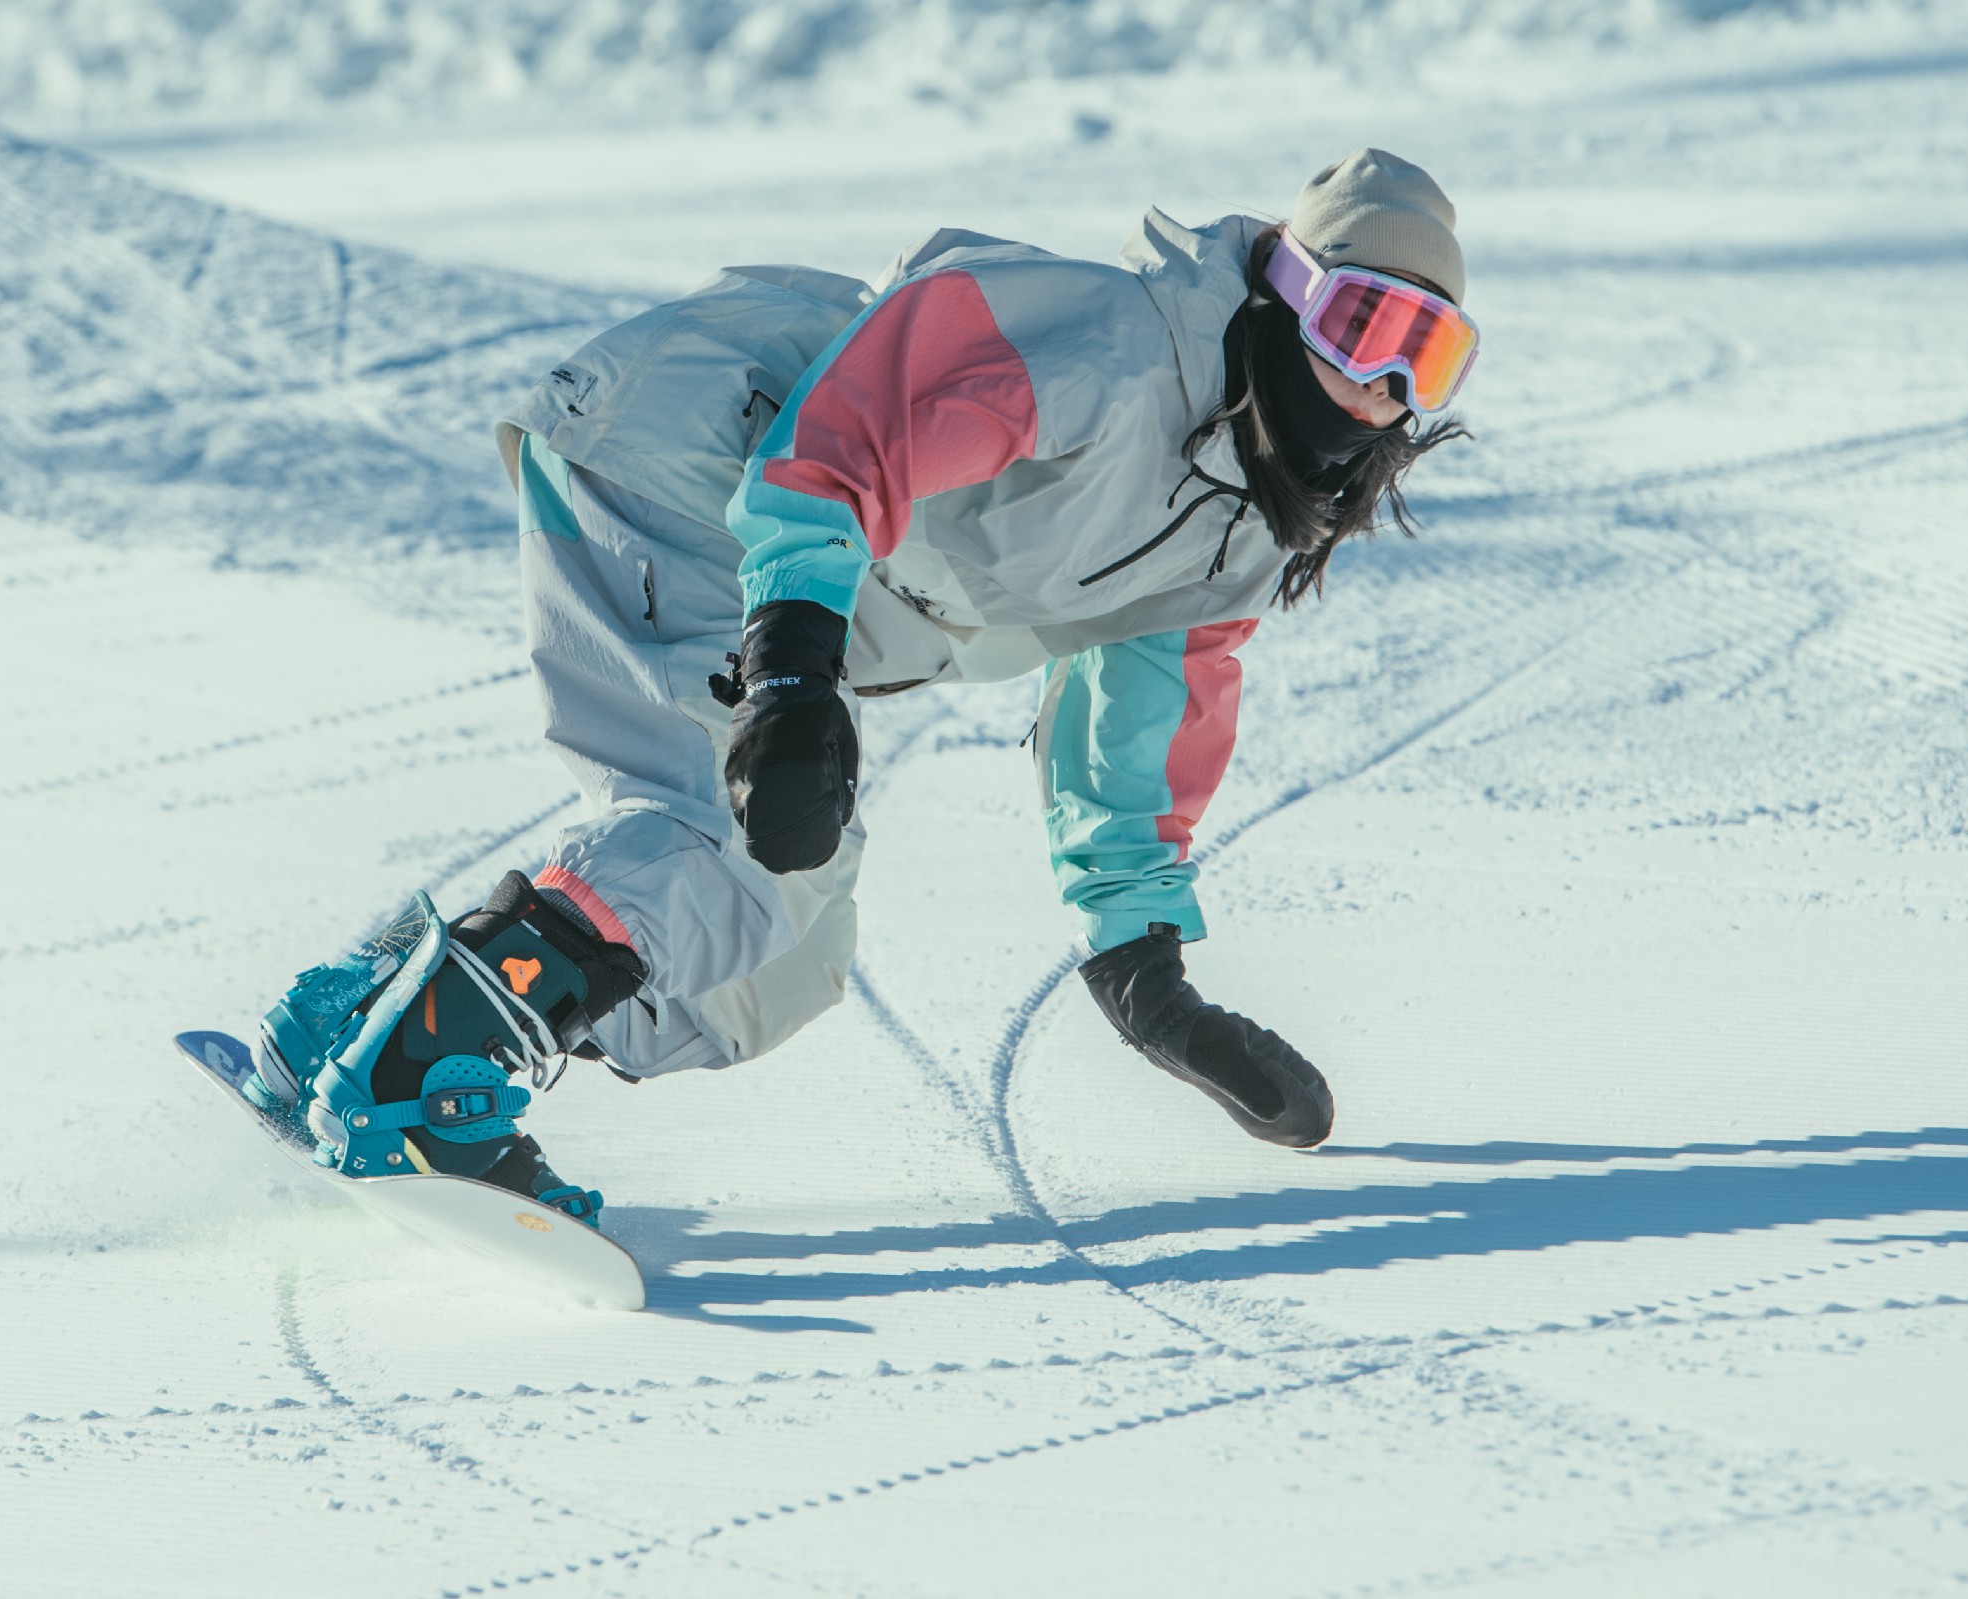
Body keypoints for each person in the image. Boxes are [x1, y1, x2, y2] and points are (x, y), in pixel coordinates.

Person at [242, 148, 1480, 1224]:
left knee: (771, 975)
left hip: (759, 554)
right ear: (1284, 296)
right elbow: (850, 441)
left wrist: (1144, 972)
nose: (1386, 387)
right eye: (1364, 326)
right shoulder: (1115, 346)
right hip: (693, 455)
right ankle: (429, 1075)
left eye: (1431, 356)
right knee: (726, 859)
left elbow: (1136, 723)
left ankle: (366, 1014)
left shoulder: (1241, 526)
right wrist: (790, 671)